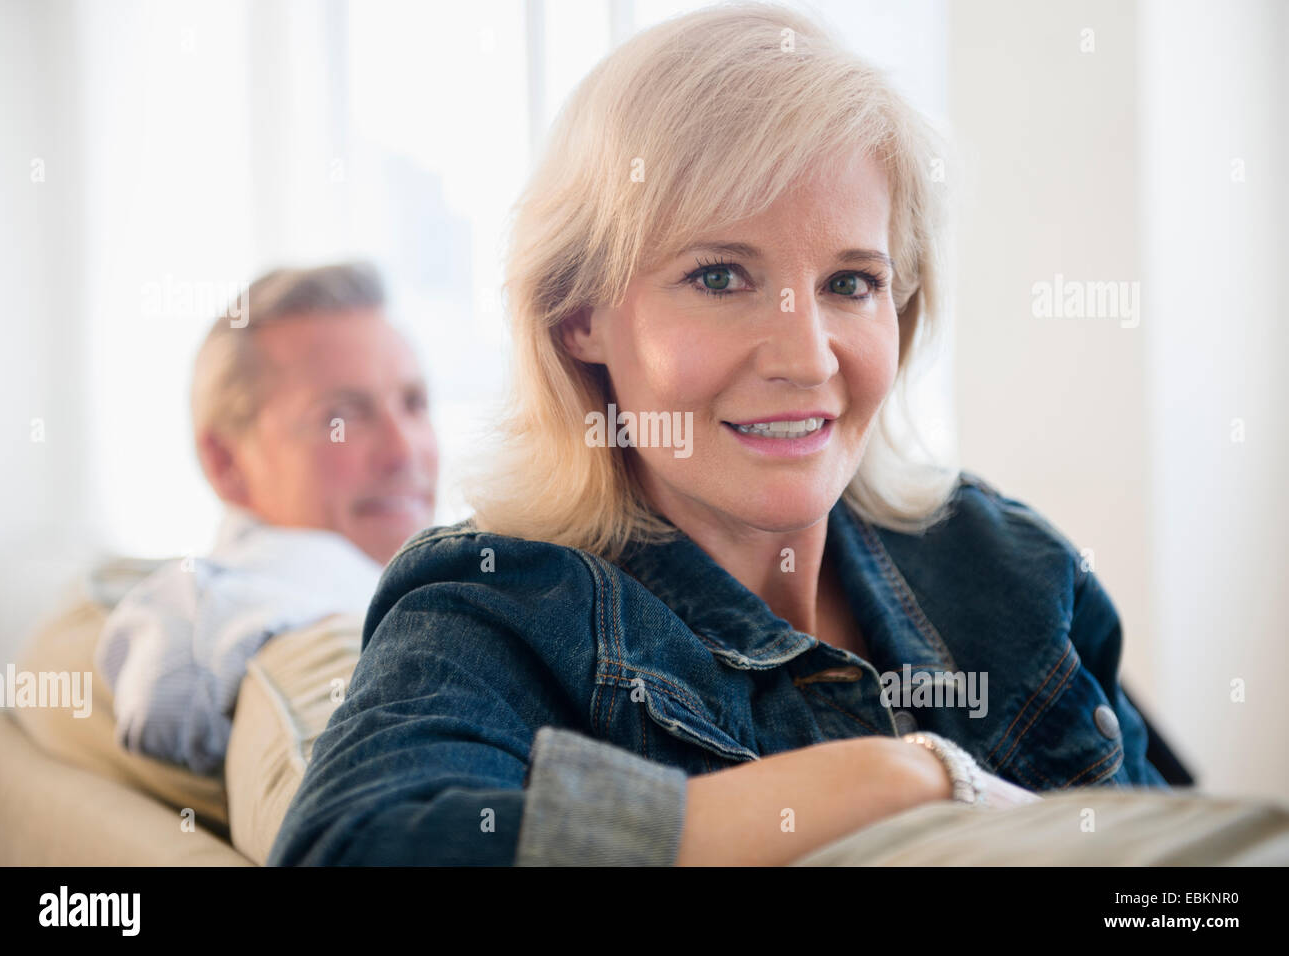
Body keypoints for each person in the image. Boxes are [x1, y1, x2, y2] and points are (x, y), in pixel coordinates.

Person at [269, 3, 1166, 867]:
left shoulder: (1005, 562)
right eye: (720, 276)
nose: (808, 358)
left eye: (851, 283)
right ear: (579, 317)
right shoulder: (498, 607)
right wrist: (907, 781)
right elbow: (355, 848)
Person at [94, 262, 439, 776]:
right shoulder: (240, 594)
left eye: (413, 403)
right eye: (342, 416)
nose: (405, 450)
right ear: (226, 462)